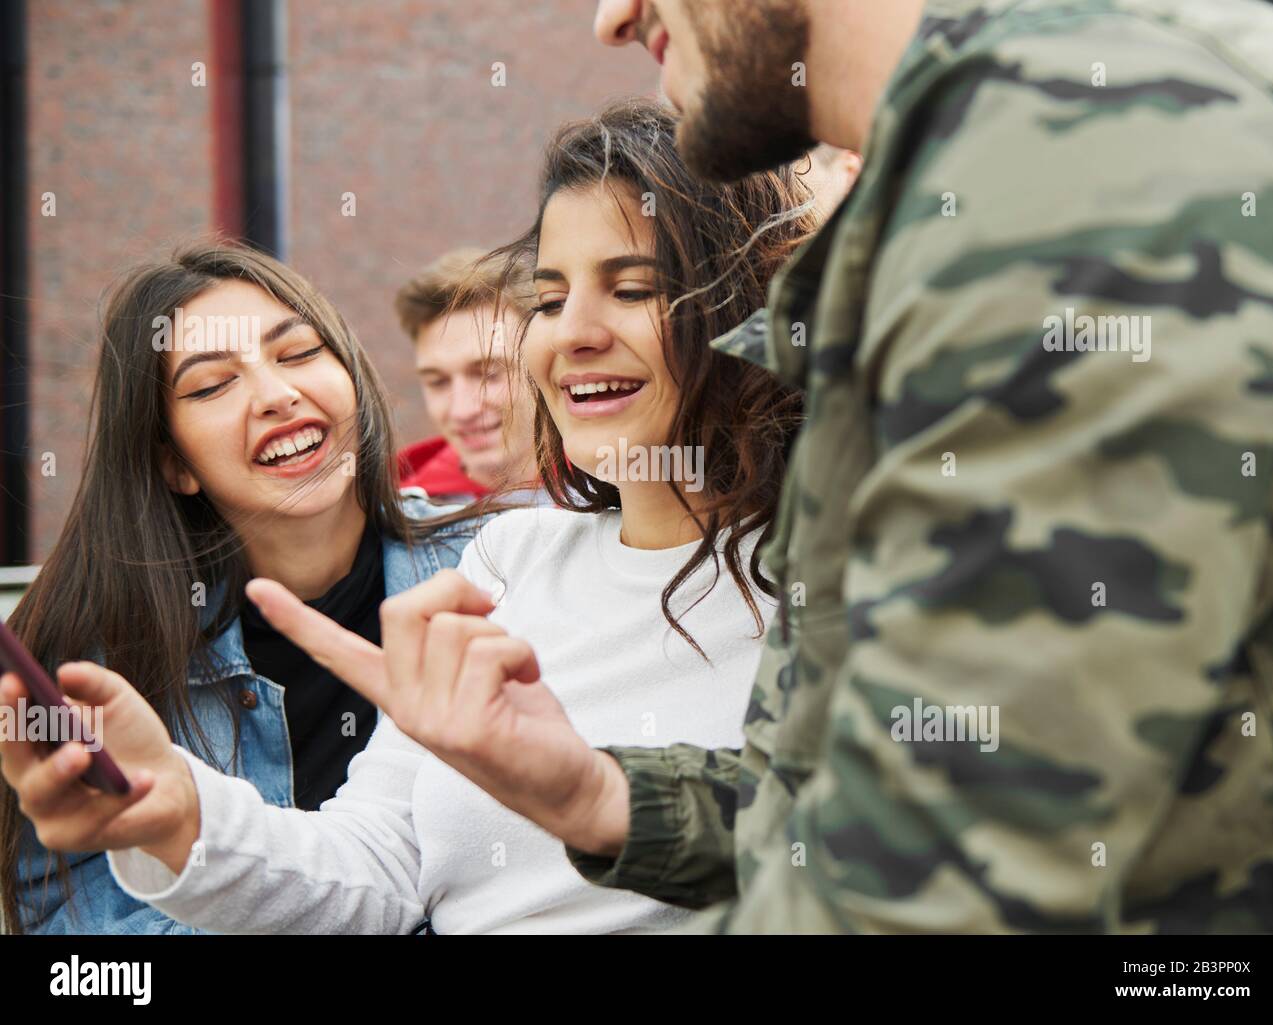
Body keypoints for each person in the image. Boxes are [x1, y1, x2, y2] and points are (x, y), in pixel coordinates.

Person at [214, 0, 1273, 934]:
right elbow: (837, 820)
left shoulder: (1072, 175)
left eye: (634, 287)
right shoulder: (999, 165)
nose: (611, 17)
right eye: (549, 297)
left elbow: (942, 875)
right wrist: (596, 795)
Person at [1, 99, 817, 934]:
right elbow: (382, 864)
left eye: (634, 288)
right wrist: (183, 818)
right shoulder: (510, 557)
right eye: (548, 297)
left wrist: (591, 795)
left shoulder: (843, 573)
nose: (570, 334)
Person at [0, 240, 482, 934]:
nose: (277, 394)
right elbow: (80, 947)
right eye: (211, 385)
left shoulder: (491, 565)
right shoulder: (97, 658)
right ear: (174, 463)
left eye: (297, 353)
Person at [394, 249, 541, 503]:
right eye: (437, 382)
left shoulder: (618, 495)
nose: (462, 410)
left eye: (488, 375)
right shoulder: (396, 518)